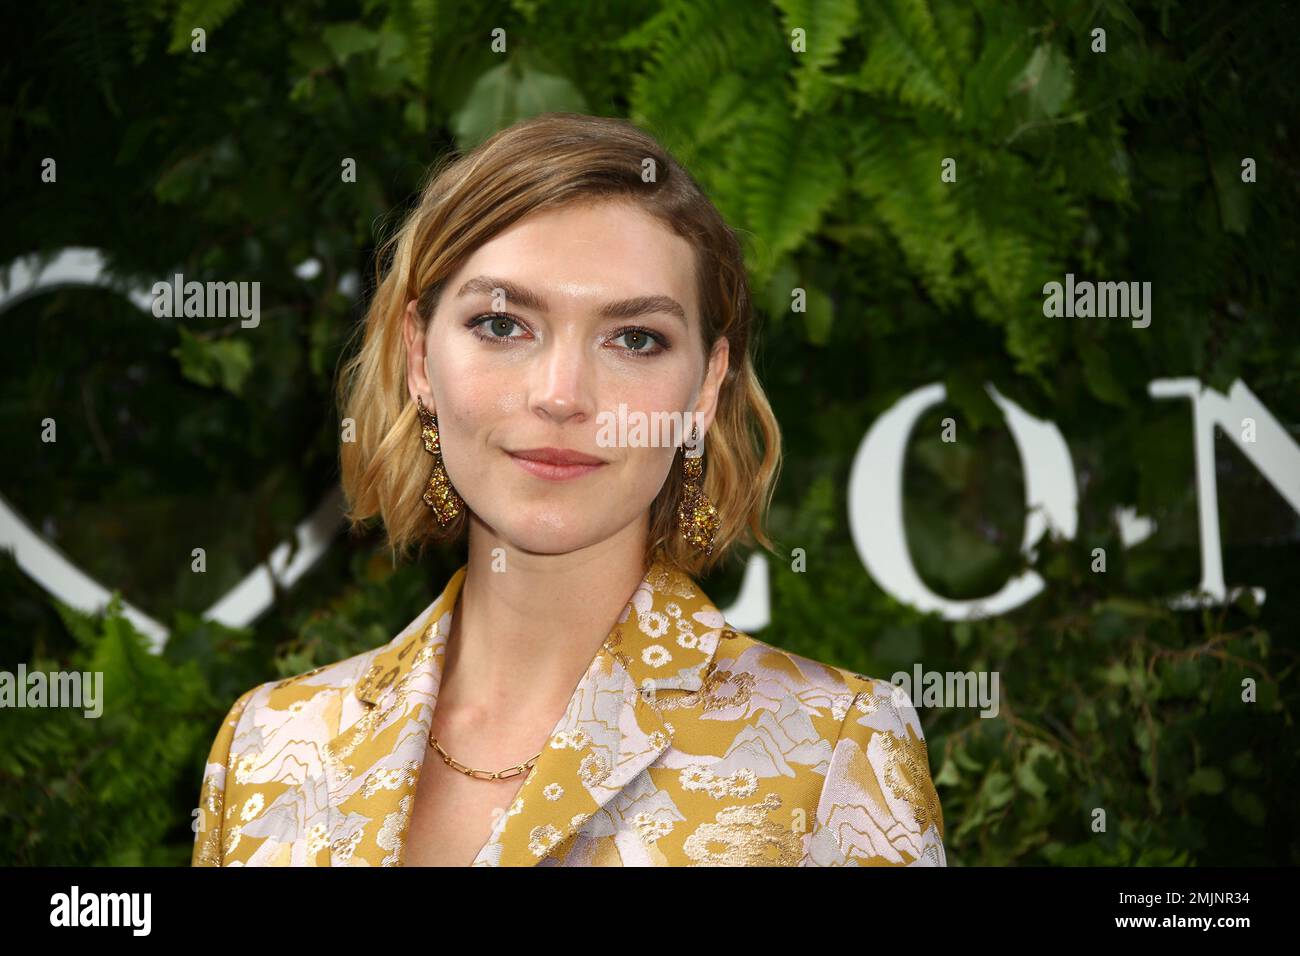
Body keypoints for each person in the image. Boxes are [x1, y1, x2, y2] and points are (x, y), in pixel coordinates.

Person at [191, 112, 945, 867]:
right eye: (503, 324)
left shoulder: (834, 751)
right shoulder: (269, 745)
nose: (561, 396)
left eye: (635, 338)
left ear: (706, 387)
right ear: (421, 357)